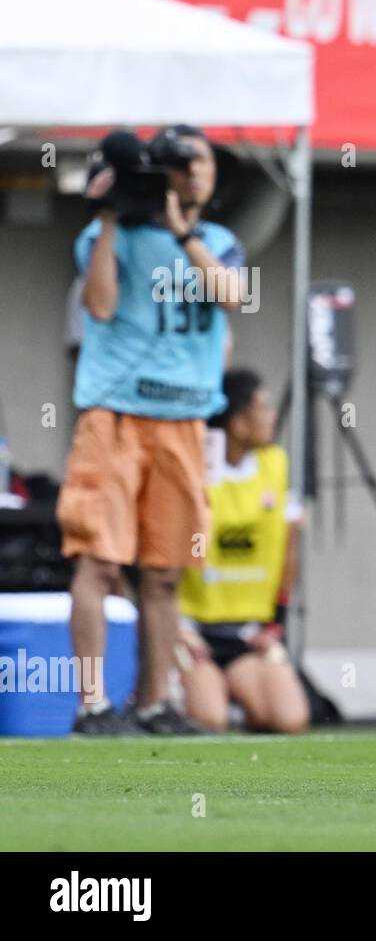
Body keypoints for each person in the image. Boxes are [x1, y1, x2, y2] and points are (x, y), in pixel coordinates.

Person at [62, 125, 247, 734]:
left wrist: (182, 233)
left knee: (165, 571)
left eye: (202, 164)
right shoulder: (108, 234)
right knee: (98, 560)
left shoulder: (217, 241)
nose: (194, 173)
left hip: (185, 420)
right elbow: (102, 306)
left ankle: (153, 701)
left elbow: (232, 297)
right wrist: (112, 215)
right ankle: (92, 704)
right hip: (114, 415)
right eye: (181, 163)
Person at [176, 369, 309, 733]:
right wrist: (173, 627)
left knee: (289, 718)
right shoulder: (195, 468)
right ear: (237, 421)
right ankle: (197, 692)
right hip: (194, 629)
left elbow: (288, 547)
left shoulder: (275, 464)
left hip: (248, 632)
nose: (272, 418)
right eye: (262, 408)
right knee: (208, 719)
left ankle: (240, 696)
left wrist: (275, 623)